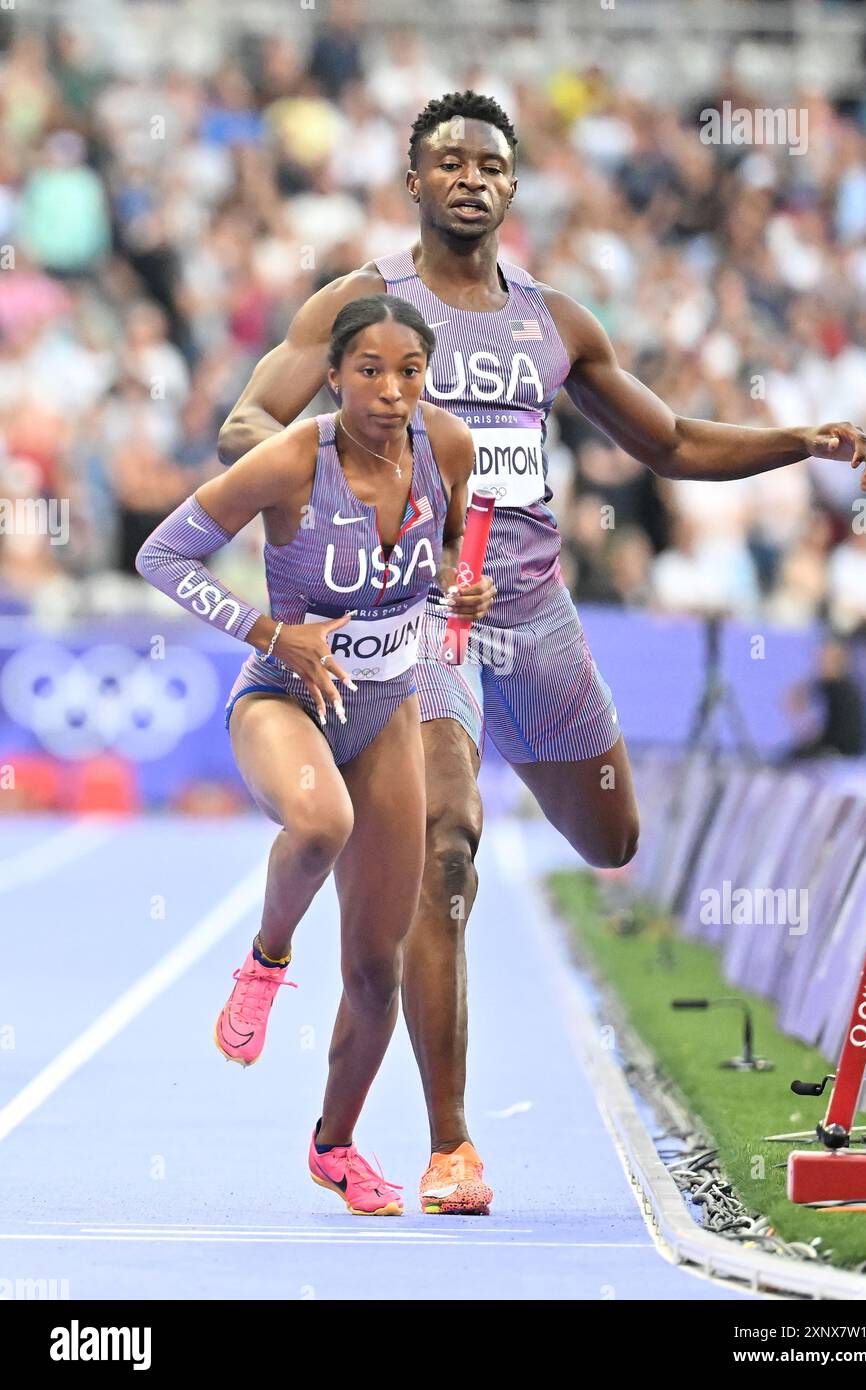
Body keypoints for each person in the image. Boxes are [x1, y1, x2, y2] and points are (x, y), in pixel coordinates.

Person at [217, 91, 866, 1215]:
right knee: (446, 845)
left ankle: (503, 747)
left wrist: (796, 439)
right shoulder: (361, 306)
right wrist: (329, 469)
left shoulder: (556, 325)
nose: (470, 177)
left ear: (513, 189)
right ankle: (451, 1144)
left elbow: (666, 442)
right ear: (414, 180)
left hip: (535, 617)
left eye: (490, 164)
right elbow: (245, 422)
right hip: (426, 617)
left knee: (613, 834)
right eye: (448, 162)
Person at [136, 293, 493, 1214]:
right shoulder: (295, 458)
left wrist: (463, 593)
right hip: (283, 699)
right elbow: (162, 556)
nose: (389, 389)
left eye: (408, 372)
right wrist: (271, 631)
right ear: (333, 377)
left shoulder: (447, 451)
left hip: (386, 711)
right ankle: (264, 959)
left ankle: (335, 1148)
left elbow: (452, 553)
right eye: (368, 371)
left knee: (378, 968)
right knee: (319, 819)